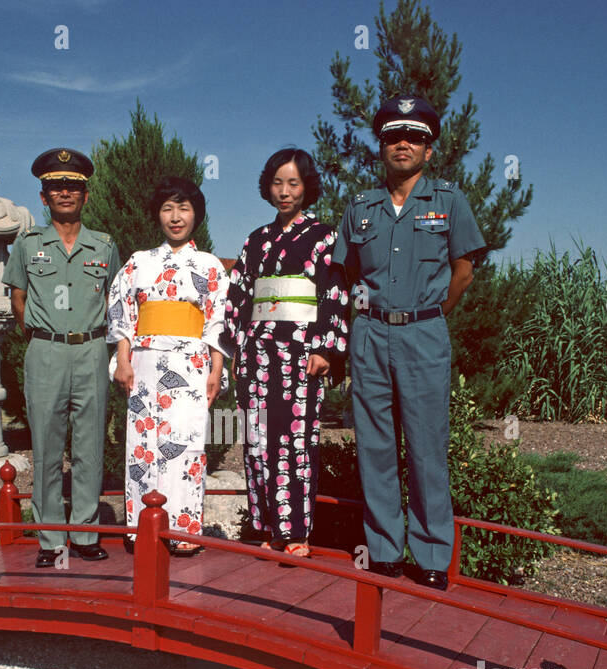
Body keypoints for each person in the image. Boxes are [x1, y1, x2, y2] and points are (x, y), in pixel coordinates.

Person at [332, 94, 487, 590]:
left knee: (426, 447)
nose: (403, 144)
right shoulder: (359, 206)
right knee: (375, 446)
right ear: (381, 144)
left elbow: (464, 269)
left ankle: (432, 555)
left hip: (424, 334)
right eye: (394, 136)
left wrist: (432, 312)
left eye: (414, 137)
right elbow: (348, 271)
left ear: (428, 148)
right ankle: (382, 550)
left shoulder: (448, 201)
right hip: (371, 333)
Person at [224, 148, 349, 558]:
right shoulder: (256, 240)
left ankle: (296, 531)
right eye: (278, 182)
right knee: (257, 438)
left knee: (295, 439)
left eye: (293, 183)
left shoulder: (325, 237)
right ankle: (266, 527)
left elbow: (334, 294)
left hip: (300, 353)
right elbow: (239, 296)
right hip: (257, 352)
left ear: (306, 187)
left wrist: (325, 348)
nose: (284, 191)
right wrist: (238, 347)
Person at [5, 147, 120, 568]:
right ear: (43, 196)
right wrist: (45, 334)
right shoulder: (27, 244)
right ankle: (51, 540)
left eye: (72, 186)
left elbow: (115, 300)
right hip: (46, 351)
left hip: (91, 350)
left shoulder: (104, 246)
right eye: (56, 187)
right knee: (47, 448)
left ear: (85, 195)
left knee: (89, 445)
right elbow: (19, 300)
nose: (65, 193)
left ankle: (86, 534)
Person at [107, 176, 229, 556]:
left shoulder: (209, 266)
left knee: (186, 445)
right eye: (167, 208)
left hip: (190, 364)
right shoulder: (138, 262)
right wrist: (123, 358)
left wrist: (216, 368)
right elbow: (121, 313)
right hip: (143, 364)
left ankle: (183, 531)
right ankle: (141, 530)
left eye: (184, 208)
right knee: (143, 446)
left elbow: (219, 321)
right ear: (157, 215)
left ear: (197, 215)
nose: (176, 217)